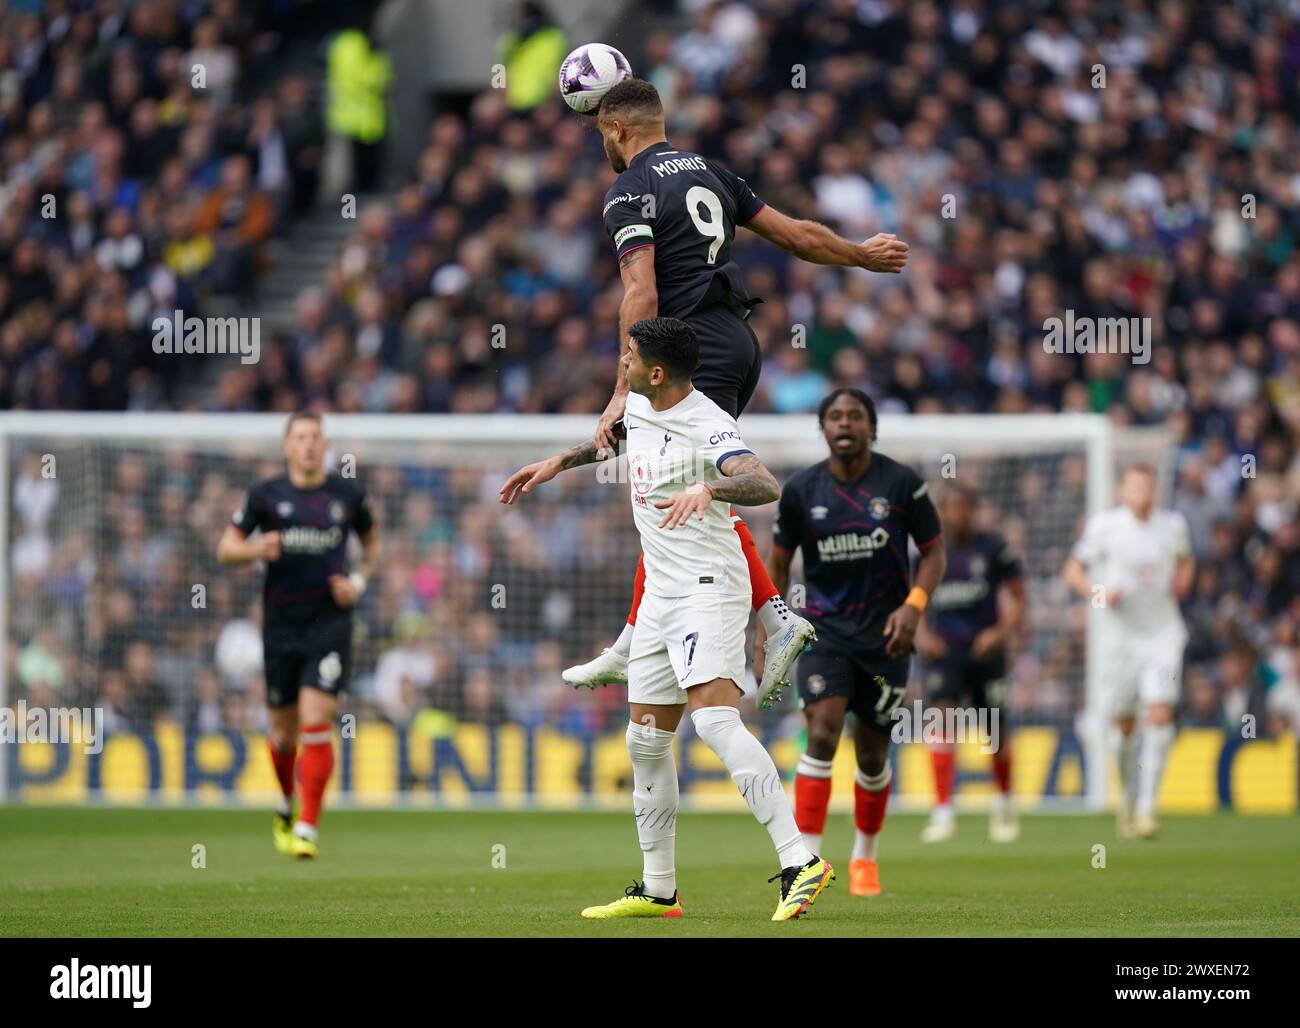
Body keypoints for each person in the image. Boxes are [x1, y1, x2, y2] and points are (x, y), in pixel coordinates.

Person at [563, 78, 910, 706]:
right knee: (663, 486)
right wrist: (859, 254)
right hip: (735, 342)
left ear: (615, 129)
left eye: (599, 133)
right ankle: (633, 634)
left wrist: (621, 387)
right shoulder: (712, 171)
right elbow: (796, 235)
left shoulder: (628, 191)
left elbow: (639, 293)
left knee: (695, 487)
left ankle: (776, 621)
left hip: (686, 349)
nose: (601, 145)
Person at [501, 317, 834, 921]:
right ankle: (659, 890)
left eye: (627, 356)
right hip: (660, 592)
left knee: (713, 723)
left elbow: (764, 482)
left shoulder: (708, 422)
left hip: (708, 586)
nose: (620, 364)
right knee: (645, 740)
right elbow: (617, 437)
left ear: (656, 372)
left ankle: (799, 860)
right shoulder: (646, 405)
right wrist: (559, 461)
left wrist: (710, 488)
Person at [767, 388, 946, 897]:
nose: (845, 424)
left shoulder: (902, 484)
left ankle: (865, 856)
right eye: (835, 417)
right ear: (823, 429)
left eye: (855, 416)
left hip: (887, 636)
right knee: (822, 731)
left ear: (872, 428)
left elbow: (934, 553)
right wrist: (777, 623)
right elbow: (778, 561)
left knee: (871, 754)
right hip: (824, 632)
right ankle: (804, 862)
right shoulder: (802, 490)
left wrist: (914, 606)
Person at [217, 412, 379, 858]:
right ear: (287, 447)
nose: (309, 444)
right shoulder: (265, 496)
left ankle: (307, 826)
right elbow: (225, 548)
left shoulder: (347, 495)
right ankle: (286, 802)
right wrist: (253, 549)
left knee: (316, 720)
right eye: (300, 437)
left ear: (324, 446)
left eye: (315, 437)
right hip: (280, 626)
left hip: (330, 623)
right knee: (284, 734)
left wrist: (358, 585)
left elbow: (373, 551)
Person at [1062, 465, 1194, 839]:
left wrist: (1184, 581)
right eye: (1135, 487)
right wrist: (1101, 594)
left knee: (1159, 710)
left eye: (1148, 487)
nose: (1142, 494)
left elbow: (1186, 560)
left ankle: (1149, 806)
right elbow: (1072, 571)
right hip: (1120, 640)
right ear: (1123, 490)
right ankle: (1130, 797)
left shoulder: (1173, 525)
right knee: (1124, 726)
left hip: (1163, 635)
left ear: (1154, 490)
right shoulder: (1105, 526)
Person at [914, 485, 1026, 843]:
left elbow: (1020, 597)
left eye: (963, 509)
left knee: (995, 733)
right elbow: (910, 602)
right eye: (949, 509)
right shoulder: (927, 554)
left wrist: (1000, 633)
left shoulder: (993, 548)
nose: (956, 515)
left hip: (985, 652)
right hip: (945, 654)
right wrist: (922, 636)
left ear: (973, 511)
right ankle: (944, 811)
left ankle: (1005, 805)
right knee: (941, 721)